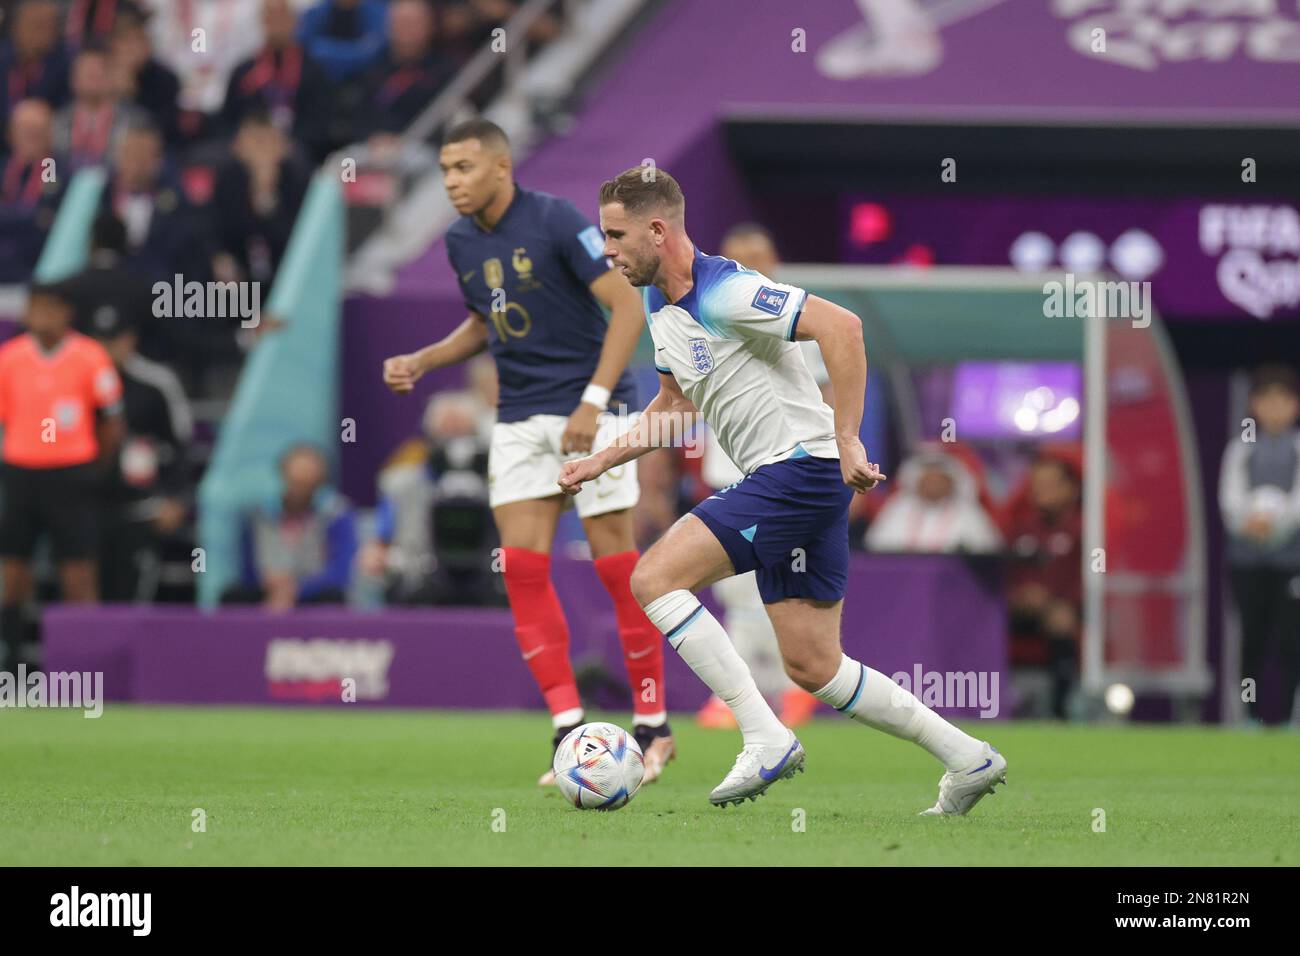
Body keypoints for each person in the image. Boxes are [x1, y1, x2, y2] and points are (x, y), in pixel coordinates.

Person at [559, 167, 1007, 814]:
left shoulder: (730, 290)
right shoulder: (661, 305)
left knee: (654, 578)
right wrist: (604, 458)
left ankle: (764, 735)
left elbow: (843, 328)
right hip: (796, 481)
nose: (608, 249)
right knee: (814, 664)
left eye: (616, 235)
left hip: (798, 471)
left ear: (658, 230)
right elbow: (676, 404)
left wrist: (850, 437)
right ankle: (968, 758)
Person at [382, 118, 676, 784]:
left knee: (615, 567)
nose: (452, 181)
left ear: (501, 167)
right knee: (520, 568)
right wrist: (424, 359)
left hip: (588, 409)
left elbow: (627, 310)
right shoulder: (460, 241)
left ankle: (653, 724)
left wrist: (593, 404)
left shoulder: (555, 220)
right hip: (517, 416)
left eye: (463, 167)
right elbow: (485, 322)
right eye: (445, 170)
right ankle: (567, 729)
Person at [0, 281, 124, 671]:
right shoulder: (10, 358)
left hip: (72, 475)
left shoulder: (90, 357)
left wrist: (93, 469)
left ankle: (84, 664)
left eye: (51, 309)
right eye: (36, 308)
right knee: (13, 568)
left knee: (78, 570)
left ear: (67, 313)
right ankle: (11, 658)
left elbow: (111, 421)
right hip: (22, 473)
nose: (42, 317)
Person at [1219, 363, 1300, 726]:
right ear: (1254, 405)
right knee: (1252, 638)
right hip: (1248, 561)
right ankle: (1248, 716)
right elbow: (1230, 500)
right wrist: (1247, 522)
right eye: (1266, 400)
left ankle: (1286, 717)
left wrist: (1276, 525)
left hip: (1291, 562)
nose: (1274, 408)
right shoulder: (1241, 449)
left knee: (1290, 640)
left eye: (1282, 400)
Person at [999, 447, 1083, 720]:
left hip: (1064, 611)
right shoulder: (1020, 527)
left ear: (1070, 488)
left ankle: (1062, 710)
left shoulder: (1083, 529)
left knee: (1061, 621)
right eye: (1036, 485)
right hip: (1017, 610)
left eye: (1049, 485)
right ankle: (989, 702)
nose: (1040, 491)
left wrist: (1056, 602)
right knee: (981, 619)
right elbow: (1000, 573)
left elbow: (1092, 580)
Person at [226, 444, 359, 610]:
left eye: (307, 483)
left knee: (333, 597)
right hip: (268, 588)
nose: (300, 488)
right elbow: (247, 569)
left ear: (319, 481)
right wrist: (270, 583)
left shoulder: (336, 514)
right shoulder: (258, 514)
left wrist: (298, 588)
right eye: (295, 481)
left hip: (314, 592)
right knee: (232, 596)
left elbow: (340, 573)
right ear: (283, 475)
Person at [865, 443, 1003, 554]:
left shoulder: (968, 513)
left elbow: (988, 551)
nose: (933, 485)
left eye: (939, 480)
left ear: (951, 482)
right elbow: (876, 548)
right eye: (928, 479)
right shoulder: (898, 509)